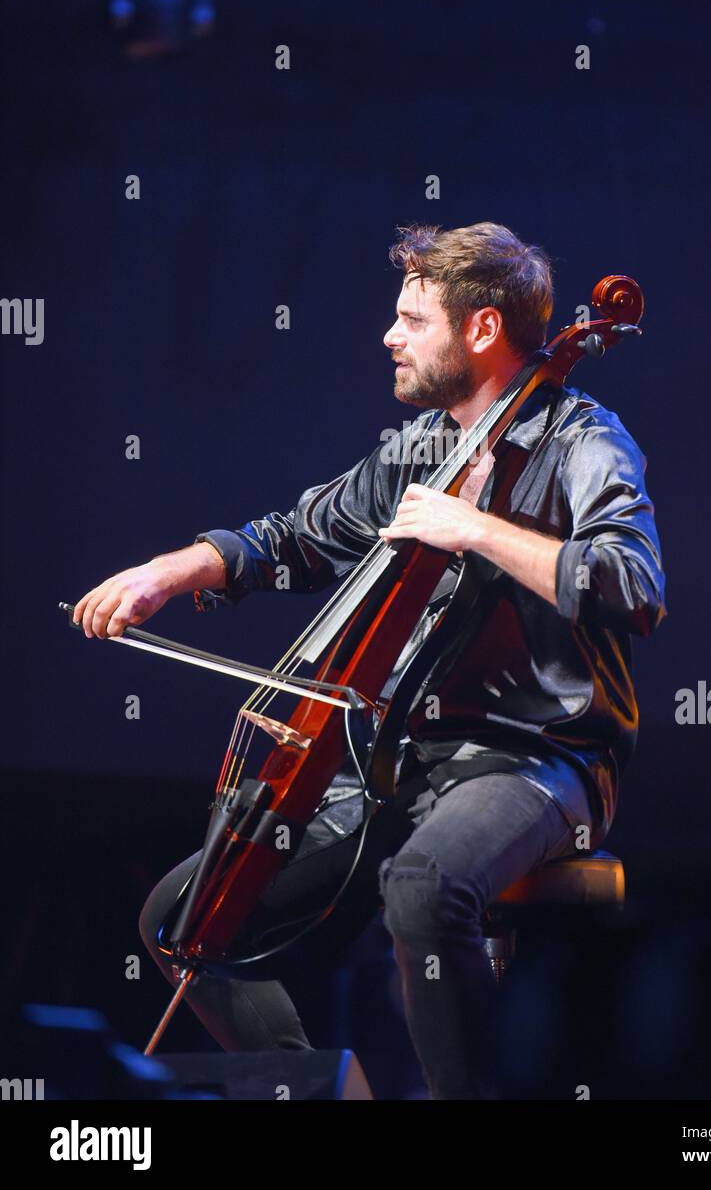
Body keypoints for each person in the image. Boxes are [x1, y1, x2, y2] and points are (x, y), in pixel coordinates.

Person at [73, 221, 666, 1099]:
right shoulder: (419, 449)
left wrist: (473, 529)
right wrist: (167, 572)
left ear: (481, 329)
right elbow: (292, 539)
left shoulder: (586, 441)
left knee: (424, 886)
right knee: (185, 918)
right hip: (397, 764)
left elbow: (631, 584)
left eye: (411, 319)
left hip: (539, 758)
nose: (389, 336)